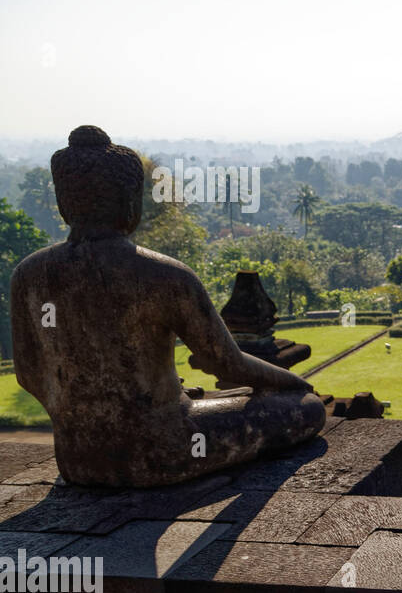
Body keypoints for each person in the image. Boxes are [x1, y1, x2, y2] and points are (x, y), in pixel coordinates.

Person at [10, 125, 325, 488]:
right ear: (131, 203)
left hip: (77, 459)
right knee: (308, 409)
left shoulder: (29, 275)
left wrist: (84, 419)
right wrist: (294, 382)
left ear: (65, 204)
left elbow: (29, 374)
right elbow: (227, 362)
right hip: (164, 453)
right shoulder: (162, 275)